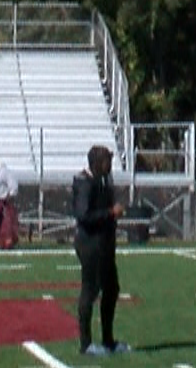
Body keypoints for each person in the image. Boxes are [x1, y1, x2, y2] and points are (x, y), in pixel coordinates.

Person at [71, 144, 129, 356]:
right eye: (107, 161)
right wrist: (110, 212)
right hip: (90, 243)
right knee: (90, 290)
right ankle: (86, 344)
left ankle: (108, 340)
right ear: (97, 163)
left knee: (111, 289)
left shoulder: (103, 180)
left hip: (104, 243)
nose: (110, 164)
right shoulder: (85, 183)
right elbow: (83, 215)